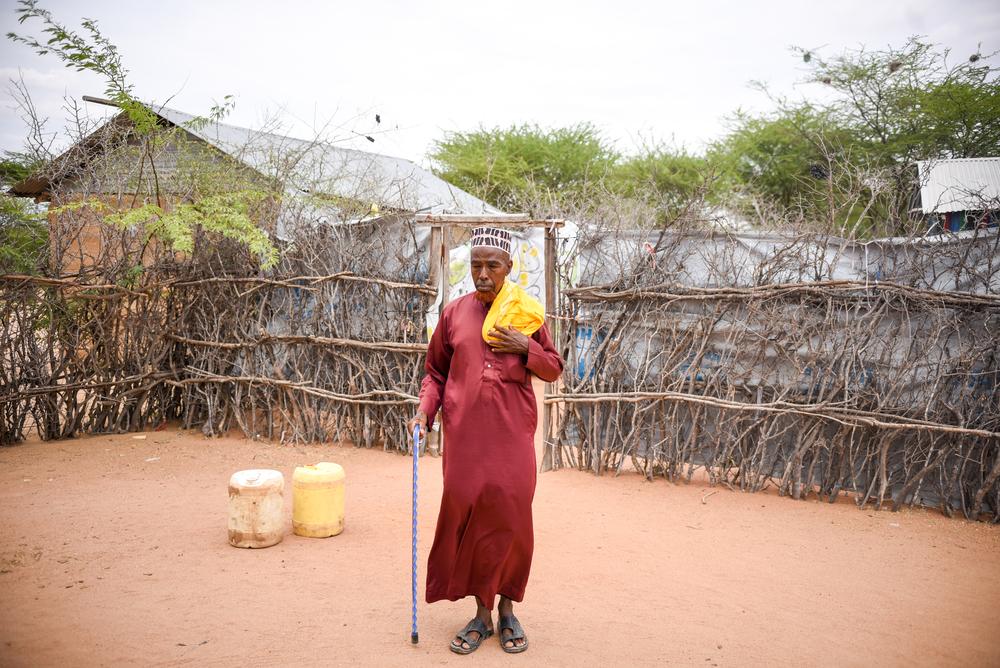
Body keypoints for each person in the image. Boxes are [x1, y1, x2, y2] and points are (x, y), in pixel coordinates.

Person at [408, 227, 564, 655]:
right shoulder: (454, 314)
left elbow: (554, 368)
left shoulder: (527, 314)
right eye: (476, 265)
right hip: (464, 440)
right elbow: (435, 373)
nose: (482, 274)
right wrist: (424, 412)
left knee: (512, 520)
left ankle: (508, 610)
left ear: (508, 267)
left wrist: (526, 346)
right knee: (468, 517)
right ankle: (482, 614)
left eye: (492, 265)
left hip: (512, 436)